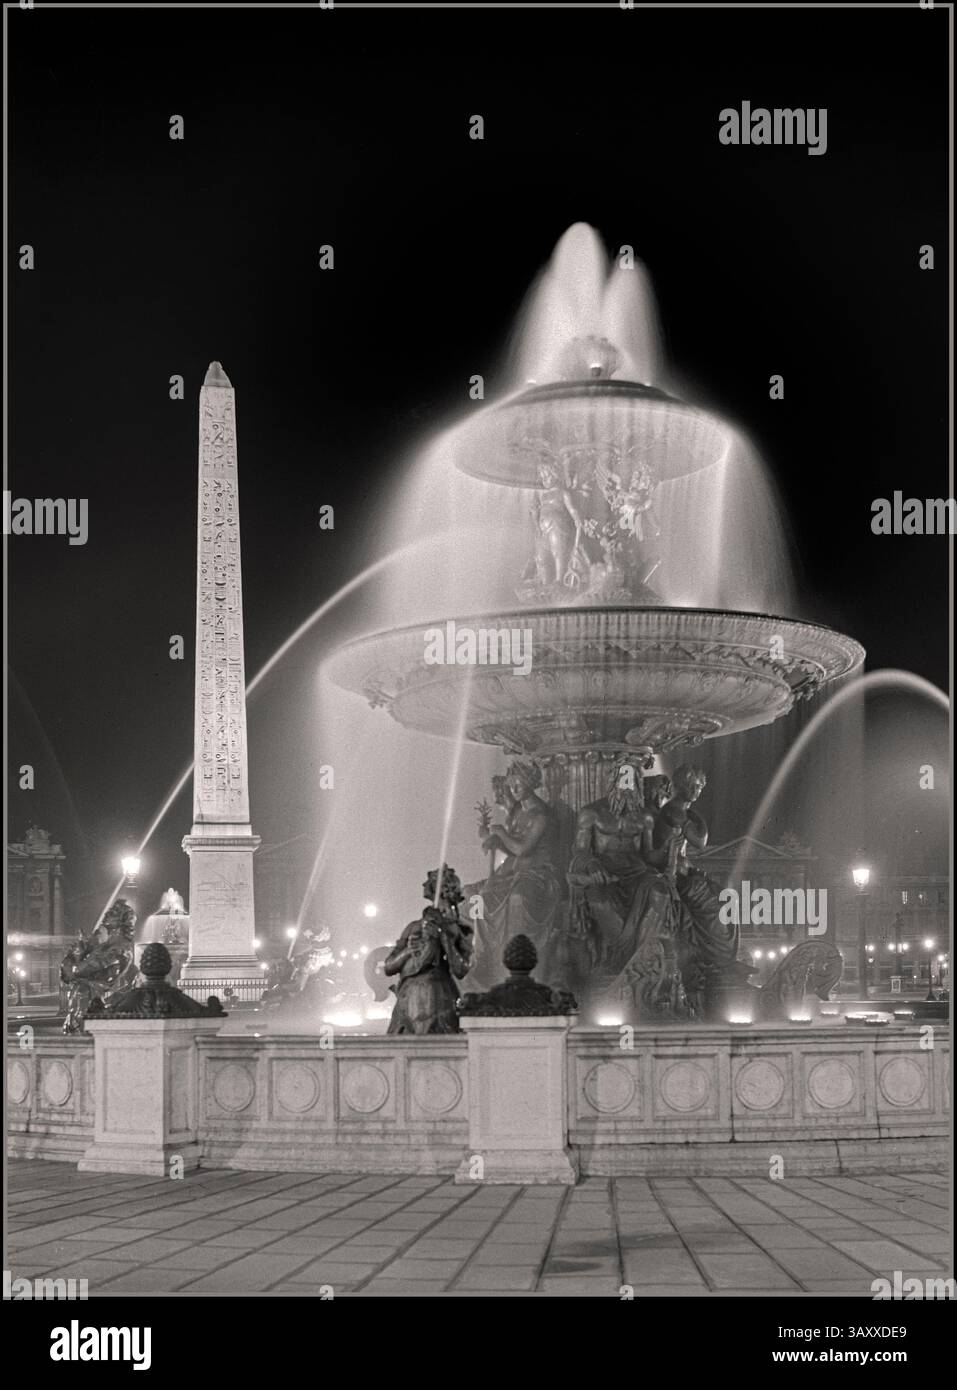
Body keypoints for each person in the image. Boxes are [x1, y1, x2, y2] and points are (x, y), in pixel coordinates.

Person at [385, 905, 472, 1034]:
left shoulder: (455, 930)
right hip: (410, 1000)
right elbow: (389, 967)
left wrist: (443, 937)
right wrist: (408, 951)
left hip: (440, 999)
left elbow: (461, 970)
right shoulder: (413, 928)